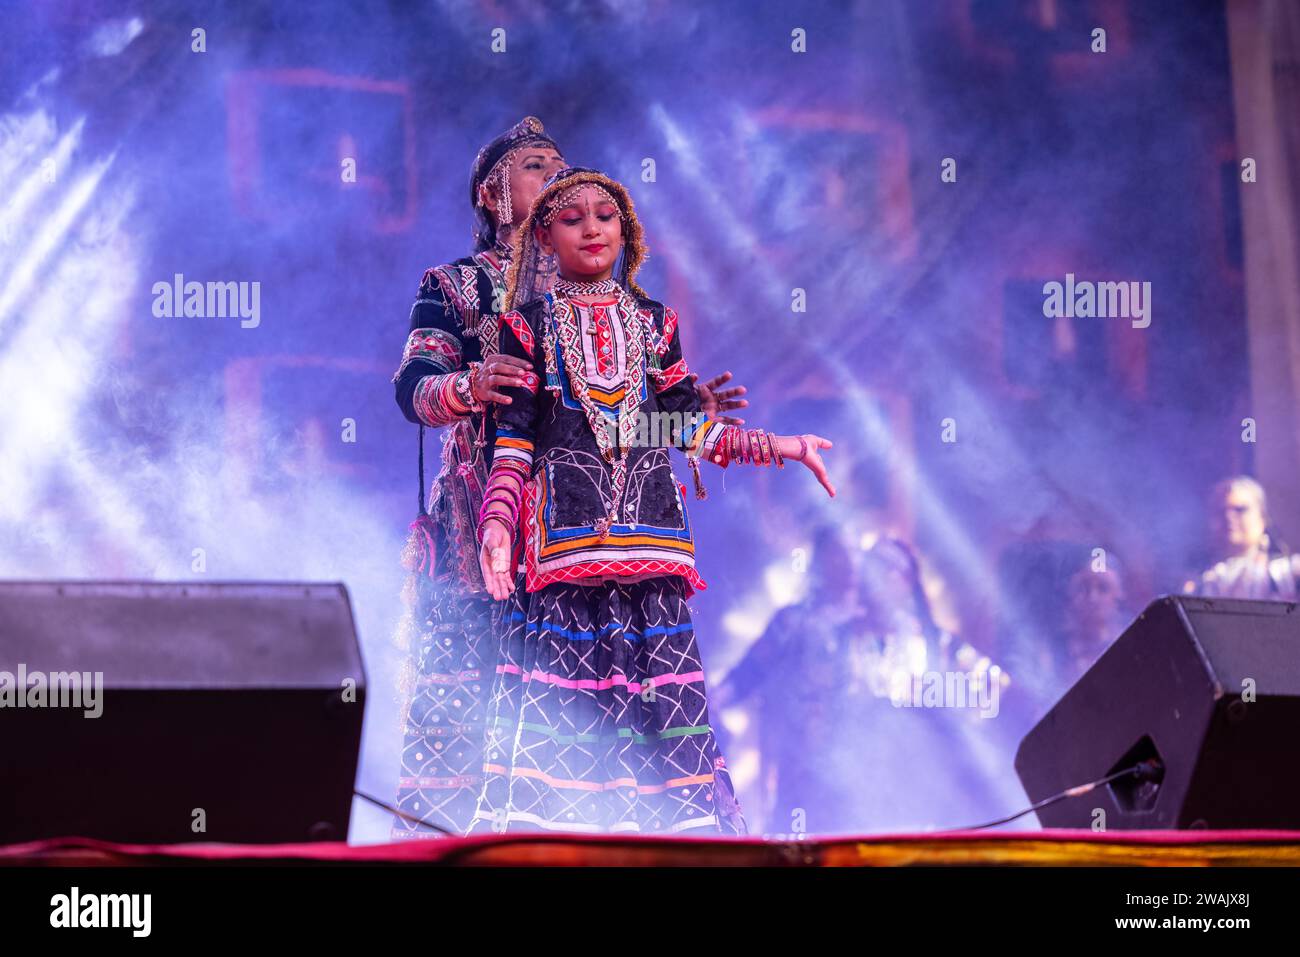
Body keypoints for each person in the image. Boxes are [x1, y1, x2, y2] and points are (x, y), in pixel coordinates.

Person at [389, 121, 747, 838]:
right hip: (481, 540)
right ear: (493, 194)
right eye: (532, 166)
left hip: (584, 540)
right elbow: (412, 388)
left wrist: (683, 416)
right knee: (471, 727)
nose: (554, 173)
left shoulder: (613, 297)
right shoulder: (455, 285)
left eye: (560, 165)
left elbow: (629, 417)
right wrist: (469, 381)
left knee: (615, 723)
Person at [466, 167, 835, 835]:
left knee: (669, 732)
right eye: (572, 218)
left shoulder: (654, 325)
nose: (591, 228)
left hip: (652, 557)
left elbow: (672, 428)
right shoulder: (526, 327)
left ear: (626, 231)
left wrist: (780, 446)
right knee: (569, 728)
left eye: (604, 215)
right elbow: (515, 439)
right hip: (568, 556)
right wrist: (496, 521)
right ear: (544, 237)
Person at [1184, 475, 1300, 599]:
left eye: (1240, 509)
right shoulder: (1196, 586)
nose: (1228, 517)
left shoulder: (1288, 574)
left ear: (1263, 517)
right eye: (1220, 511)